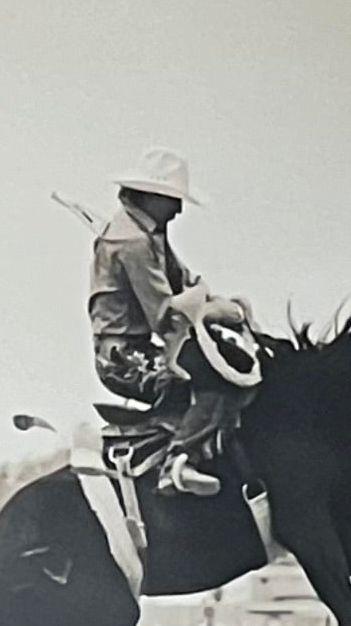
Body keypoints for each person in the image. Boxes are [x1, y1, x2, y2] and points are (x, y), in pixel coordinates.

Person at [87, 147, 257, 495]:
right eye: (172, 200)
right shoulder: (131, 243)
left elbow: (185, 287)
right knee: (216, 380)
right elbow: (166, 315)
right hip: (124, 360)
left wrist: (216, 304)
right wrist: (214, 309)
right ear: (151, 197)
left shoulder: (146, 235)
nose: (178, 210)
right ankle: (180, 461)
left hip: (139, 349)